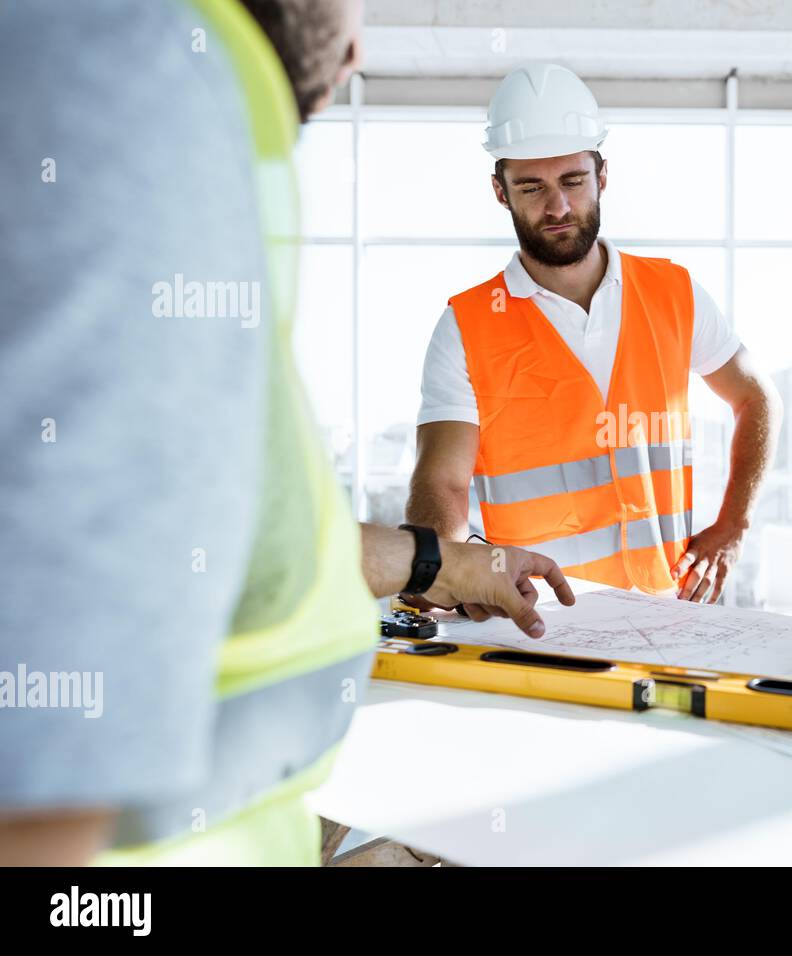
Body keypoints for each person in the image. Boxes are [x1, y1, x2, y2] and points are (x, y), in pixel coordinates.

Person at [0, 0, 570, 867]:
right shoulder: (134, 72)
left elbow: (209, 544)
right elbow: (46, 790)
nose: (356, 46)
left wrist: (444, 562)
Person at [407, 63, 783, 609]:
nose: (557, 207)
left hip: (666, 614)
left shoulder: (675, 293)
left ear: (602, 175)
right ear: (499, 191)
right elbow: (440, 483)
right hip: (537, 624)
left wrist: (734, 525)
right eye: (532, 187)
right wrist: (454, 565)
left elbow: (756, 398)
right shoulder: (466, 326)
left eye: (573, 181)